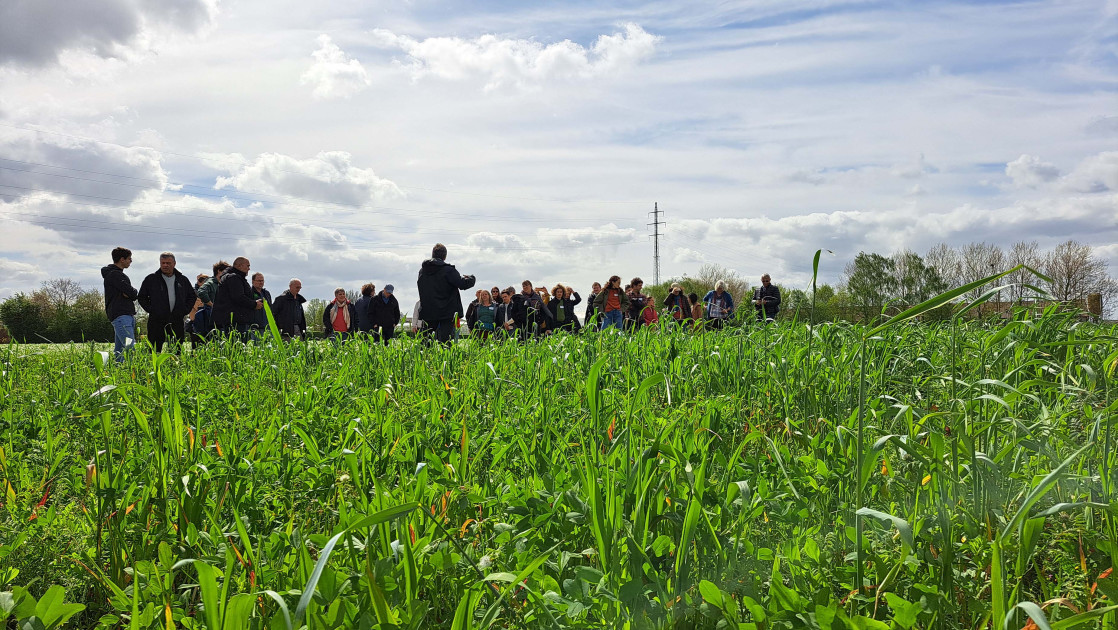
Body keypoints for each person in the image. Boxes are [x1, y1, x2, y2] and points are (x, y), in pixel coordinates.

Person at [137, 252, 197, 353]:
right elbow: (142, 297)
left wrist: (184, 310)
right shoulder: (151, 279)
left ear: (174, 263)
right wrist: (152, 310)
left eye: (168, 263)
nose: (165, 265)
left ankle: (174, 367)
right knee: (154, 348)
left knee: (176, 348)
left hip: (176, 319)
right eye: (163, 263)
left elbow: (191, 296)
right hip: (156, 320)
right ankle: (154, 367)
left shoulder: (182, 280)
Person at [417, 243, 476, 343]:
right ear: (445, 256)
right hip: (447, 312)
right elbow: (463, 284)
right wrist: (472, 278)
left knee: (426, 341)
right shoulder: (448, 270)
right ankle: (444, 357)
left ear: (432, 254)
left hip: (428, 310)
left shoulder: (422, 271)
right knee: (445, 341)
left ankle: (425, 358)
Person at [101, 246, 139, 361]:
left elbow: (129, 293)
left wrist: (129, 293)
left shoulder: (115, 274)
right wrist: (131, 292)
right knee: (130, 348)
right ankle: (133, 373)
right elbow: (132, 293)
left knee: (120, 351)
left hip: (123, 315)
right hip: (121, 315)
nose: (130, 261)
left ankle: (119, 373)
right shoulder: (115, 275)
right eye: (129, 258)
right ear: (122, 259)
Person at [212, 257, 261, 339]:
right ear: (240, 266)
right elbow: (238, 297)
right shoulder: (233, 278)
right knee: (236, 345)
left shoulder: (233, 277)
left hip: (235, 319)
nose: (249, 268)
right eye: (247, 266)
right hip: (235, 321)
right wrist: (254, 304)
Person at [247, 272, 273, 337]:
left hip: (267, 327)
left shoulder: (266, 293)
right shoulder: (249, 292)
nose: (261, 282)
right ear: (253, 281)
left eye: (262, 281)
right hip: (255, 328)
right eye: (259, 281)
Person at [186, 274, 209, 345]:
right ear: (199, 283)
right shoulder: (193, 294)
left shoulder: (207, 293)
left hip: (205, 322)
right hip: (195, 321)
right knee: (196, 343)